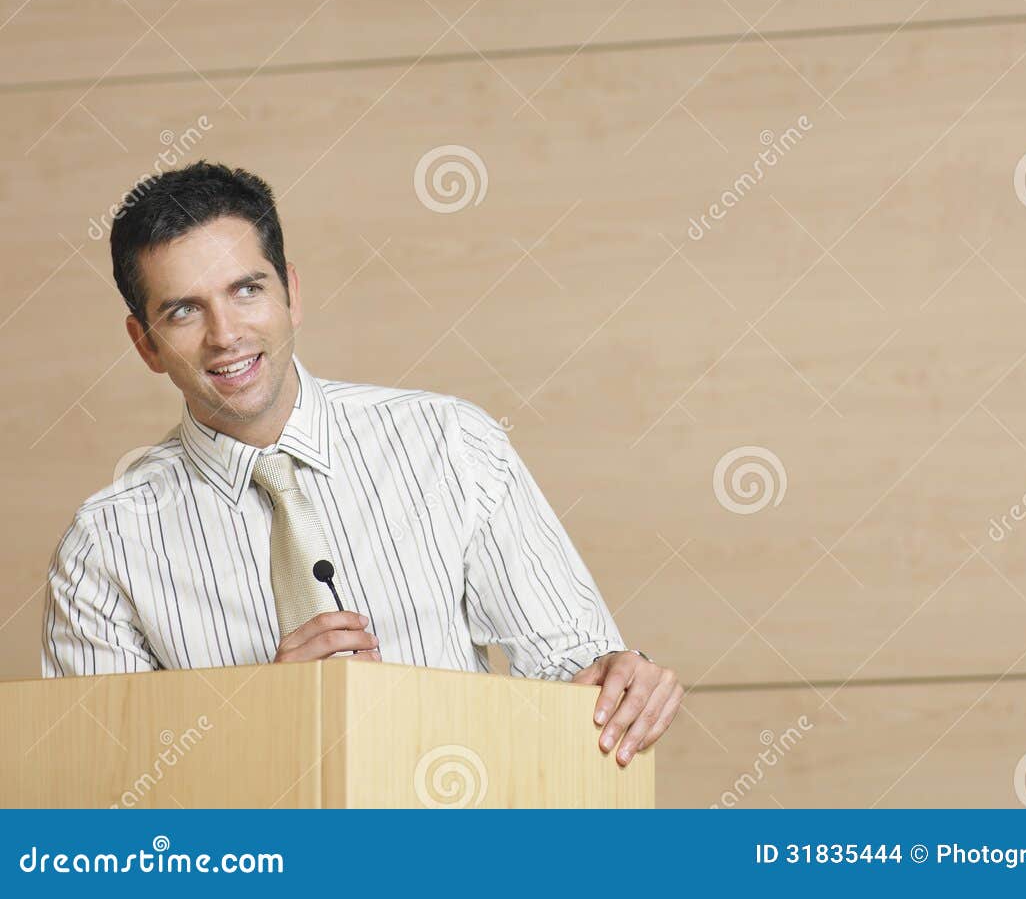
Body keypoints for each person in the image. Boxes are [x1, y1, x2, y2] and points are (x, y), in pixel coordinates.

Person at [42, 162, 682, 769]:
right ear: (145, 343)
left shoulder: (450, 443)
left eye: (246, 290)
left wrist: (620, 681)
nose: (225, 334)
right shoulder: (104, 547)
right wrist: (264, 719)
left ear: (291, 293)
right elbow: (103, 793)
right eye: (184, 310)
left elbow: (575, 674)